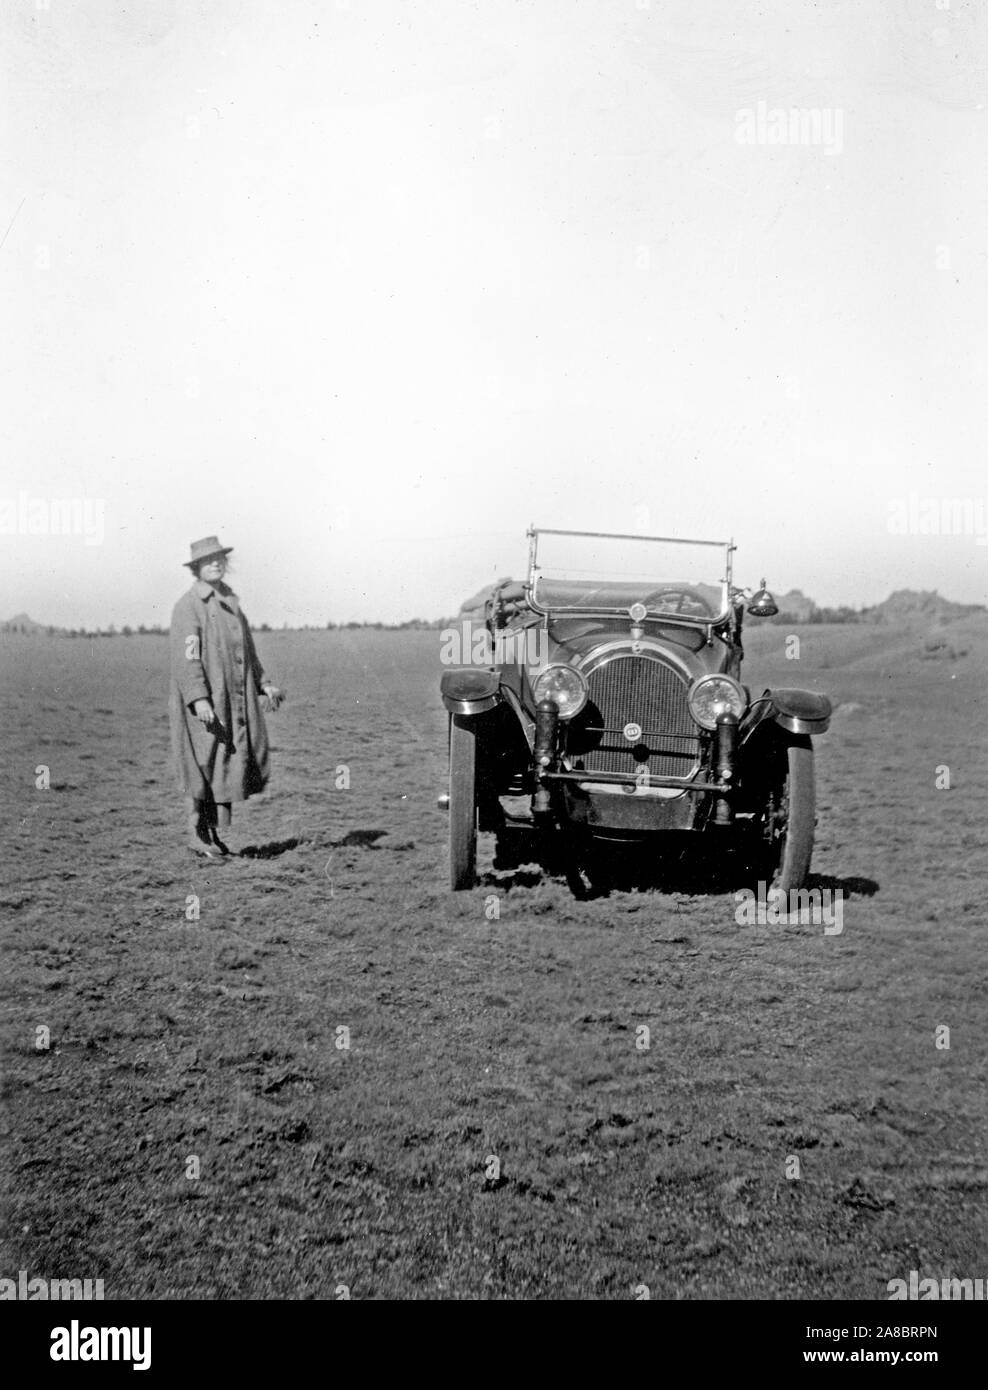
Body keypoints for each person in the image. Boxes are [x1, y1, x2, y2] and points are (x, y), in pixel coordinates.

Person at [169, 536, 283, 857]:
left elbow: (248, 651)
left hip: (232, 700)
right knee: (202, 762)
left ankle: (211, 835)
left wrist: (264, 684)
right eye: (208, 561)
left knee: (223, 763)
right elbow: (187, 657)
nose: (215, 563)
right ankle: (196, 833)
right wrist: (199, 698)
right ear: (196, 568)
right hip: (205, 703)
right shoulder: (188, 606)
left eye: (219, 558)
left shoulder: (231, 603)